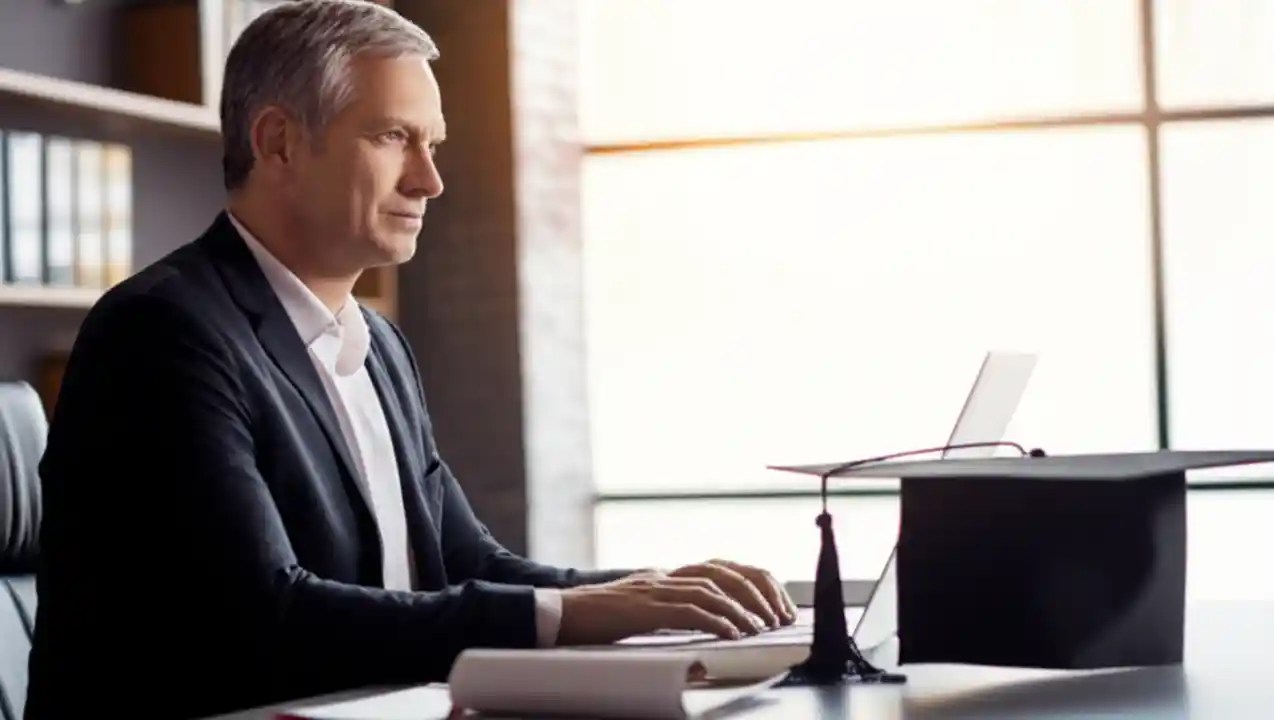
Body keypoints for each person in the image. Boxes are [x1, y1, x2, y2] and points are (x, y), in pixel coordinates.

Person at [24, 2, 796, 717]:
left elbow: (464, 559)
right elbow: (268, 615)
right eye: (394, 136)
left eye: (433, 145)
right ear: (279, 142)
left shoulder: (378, 343)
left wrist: (649, 595)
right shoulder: (163, 331)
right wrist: (576, 615)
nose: (429, 180)